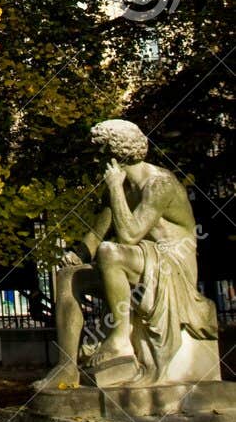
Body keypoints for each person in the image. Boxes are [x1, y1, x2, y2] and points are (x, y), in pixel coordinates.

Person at [36, 119, 218, 390]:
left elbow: (128, 235)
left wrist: (114, 189)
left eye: (99, 153)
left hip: (171, 265)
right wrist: (77, 255)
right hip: (138, 262)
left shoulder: (159, 183)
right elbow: (97, 235)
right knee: (68, 277)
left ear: (114, 155)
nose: (96, 160)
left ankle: (120, 340)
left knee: (111, 252)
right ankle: (67, 367)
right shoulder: (118, 187)